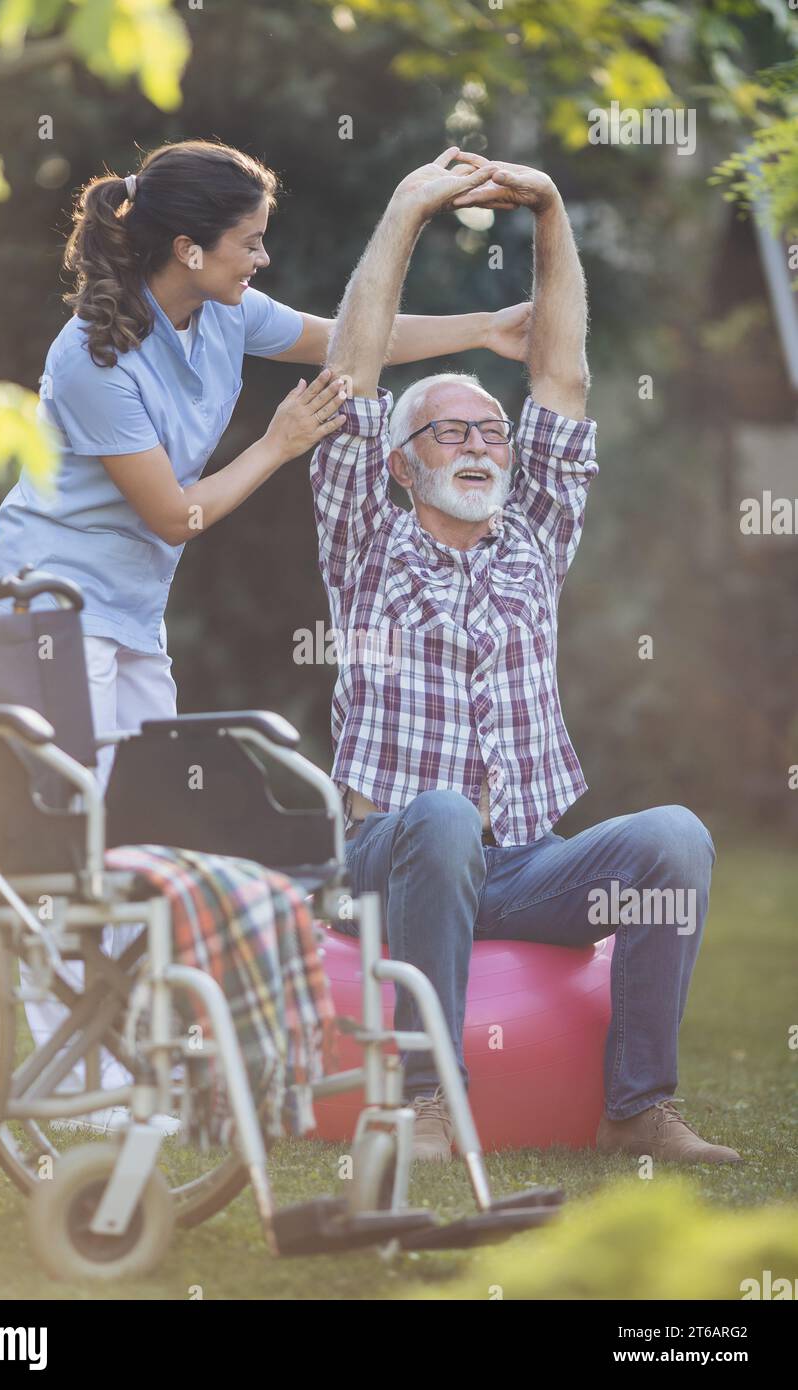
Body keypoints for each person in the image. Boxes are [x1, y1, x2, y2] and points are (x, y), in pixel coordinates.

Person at [310, 148, 741, 1166]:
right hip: (394, 858)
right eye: (448, 429)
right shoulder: (361, 539)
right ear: (400, 460)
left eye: (490, 430)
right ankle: (426, 1098)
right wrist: (406, 209)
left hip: (524, 864)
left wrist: (546, 204)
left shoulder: (535, 535)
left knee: (672, 838)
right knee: (448, 814)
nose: (477, 443)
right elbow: (352, 373)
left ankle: (633, 1106)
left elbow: (560, 373)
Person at [0, 138, 525, 787]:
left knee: (149, 809)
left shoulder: (222, 315)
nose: (262, 259)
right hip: (52, 613)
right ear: (190, 250)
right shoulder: (91, 360)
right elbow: (174, 517)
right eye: (251, 242)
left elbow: (345, 344)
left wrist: (486, 326)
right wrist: (278, 442)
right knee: (77, 822)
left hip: (130, 613)